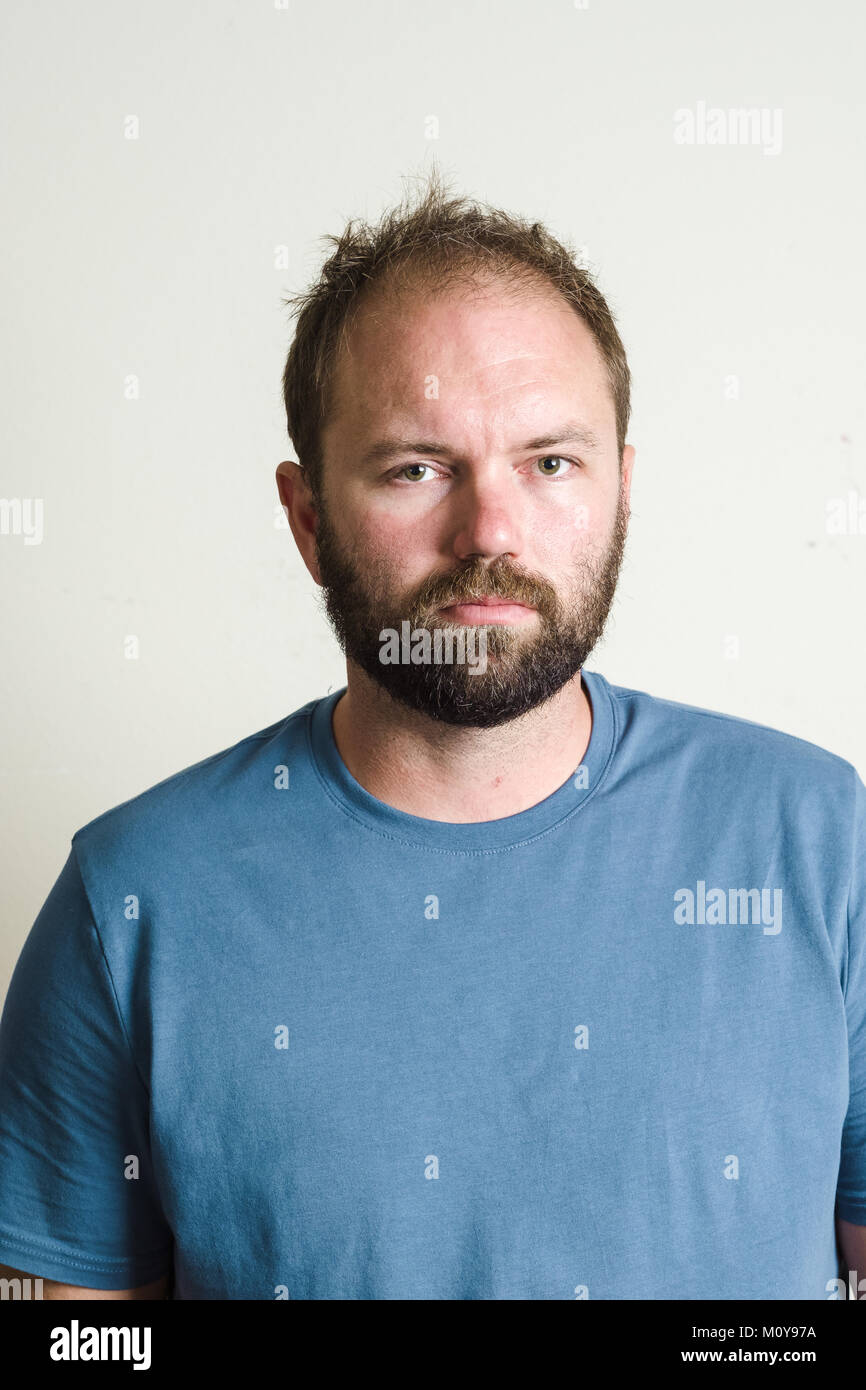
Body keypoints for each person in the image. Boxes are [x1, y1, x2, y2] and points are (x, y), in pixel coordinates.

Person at [1, 170, 864, 1301]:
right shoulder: (130, 901)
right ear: (307, 518)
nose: (488, 532)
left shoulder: (818, 841)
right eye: (416, 468)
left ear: (620, 491)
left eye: (550, 461)